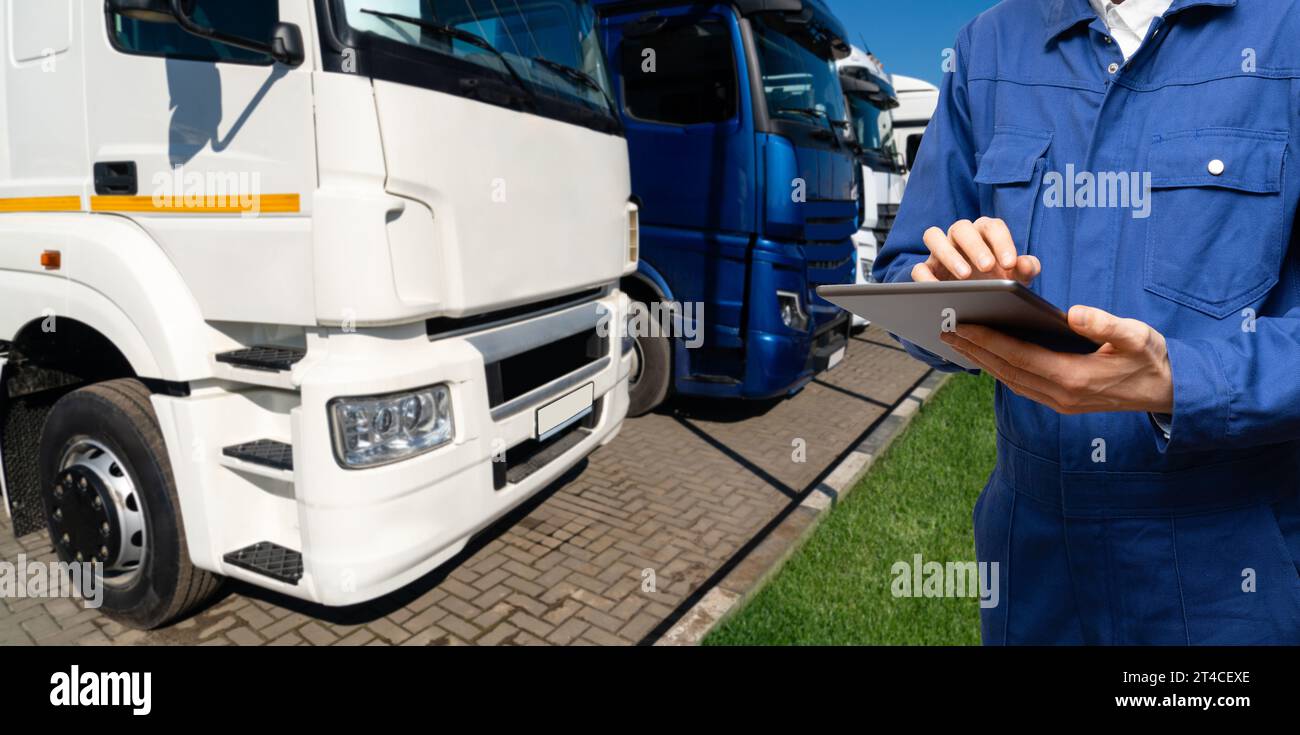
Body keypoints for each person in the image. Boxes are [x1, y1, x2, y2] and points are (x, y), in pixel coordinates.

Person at [875, 0, 1300, 644]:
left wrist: (1185, 380)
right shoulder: (987, 46)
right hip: (1032, 566)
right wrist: (947, 289)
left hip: (1230, 563)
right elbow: (905, 267)